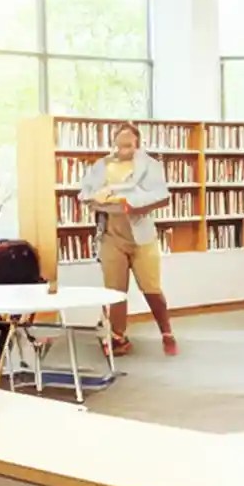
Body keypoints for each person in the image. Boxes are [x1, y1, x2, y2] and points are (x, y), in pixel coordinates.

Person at [79, 122, 178, 357]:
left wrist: (130, 202)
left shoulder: (151, 166)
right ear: (113, 143)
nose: (123, 150)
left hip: (142, 237)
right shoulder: (101, 166)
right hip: (112, 236)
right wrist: (97, 198)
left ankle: (167, 332)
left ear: (138, 144)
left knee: (151, 287)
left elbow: (161, 196)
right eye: (119, 145)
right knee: (114, 290)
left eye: (129, 145)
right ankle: (117, 337)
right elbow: (84, 194)